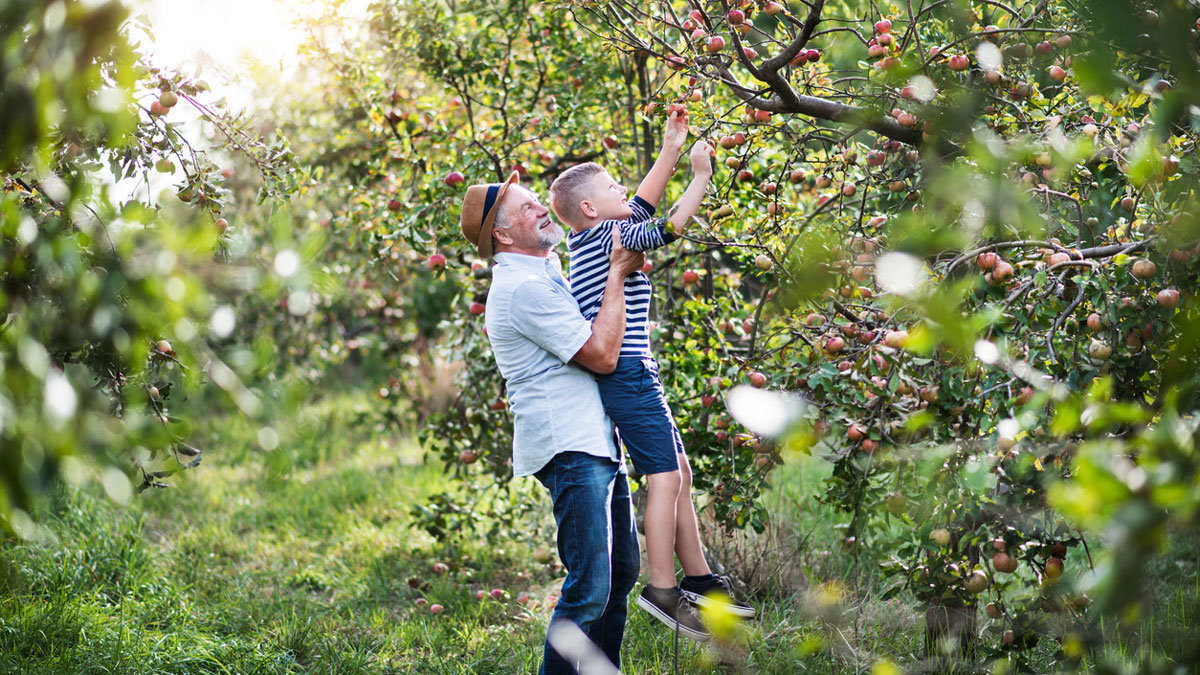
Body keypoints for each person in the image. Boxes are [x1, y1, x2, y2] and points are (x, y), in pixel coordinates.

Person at [547, 111, 754, 641]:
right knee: (664, 476)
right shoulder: (609, 236)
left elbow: (641, 203)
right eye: (612, 185)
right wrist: (700, 174)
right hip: (630, 376)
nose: (626, 190)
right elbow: (669, 225)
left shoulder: (591, 237)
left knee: (678, 469)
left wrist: (670, 147)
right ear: (591, 207)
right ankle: (663, 590)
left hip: (639, 375)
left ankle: (703, 579)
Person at [459, 171, 646, 674]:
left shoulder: (546, 270)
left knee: (622, 571)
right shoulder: (521, 289)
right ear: (502, 235)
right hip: (570, 447)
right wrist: (616, 273)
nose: (543, 209)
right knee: (589, 589)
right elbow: (603, 355)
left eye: (539, 201)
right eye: (527, 208)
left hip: (596, 442)